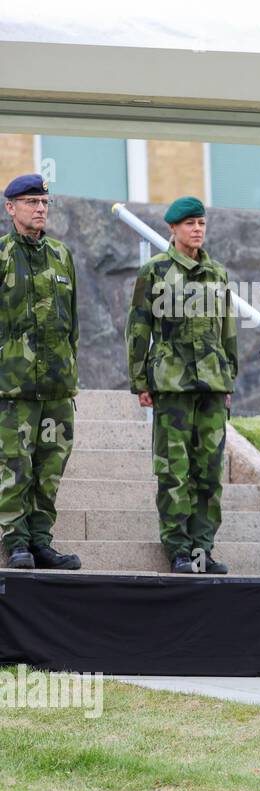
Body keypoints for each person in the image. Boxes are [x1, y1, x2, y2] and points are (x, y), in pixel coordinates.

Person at [125, 196, 238, 574]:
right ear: (172, 229)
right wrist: (139, 378)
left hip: (211, 384)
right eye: (189, 223)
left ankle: (202, 549)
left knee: (208, 472)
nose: (197, 229)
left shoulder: (217, 273)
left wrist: (229, 380)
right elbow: (138, 328)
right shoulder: (153, 272)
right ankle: (178, 548)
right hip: (171, 384)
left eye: (201, 223)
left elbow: (228, 330)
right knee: (174, 470)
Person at [0, 173, 81, 571]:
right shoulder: (1, 254)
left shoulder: (61, 255)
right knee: (15, 466)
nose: (40, 209)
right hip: (11, 387)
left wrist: (69, 372)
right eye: (31, 202)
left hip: (57, 386)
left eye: (44, 203)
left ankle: (41, 541)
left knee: (50, 468)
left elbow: (73, 324)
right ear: (10, 207)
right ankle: (15, 542)